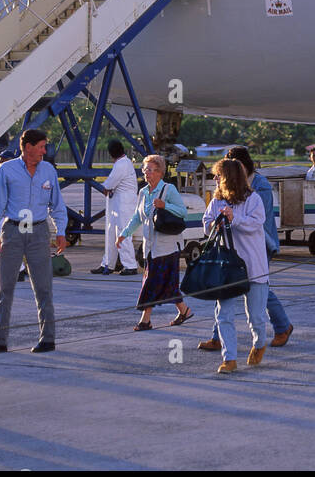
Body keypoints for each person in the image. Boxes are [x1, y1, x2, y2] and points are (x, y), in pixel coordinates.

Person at [198, 146, 294, 349]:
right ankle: (218, 337)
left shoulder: (260, 187)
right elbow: (209, 220)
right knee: (227, 288)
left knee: (258, 290)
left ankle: (282, 326)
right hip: (232, 248)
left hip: (259, 245)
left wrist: (240, 224)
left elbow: (262, 222)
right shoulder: (220, 196)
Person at [0, 129, 68, 354]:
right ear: (28, 147)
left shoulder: (48, 170)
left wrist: (61, 231)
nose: (44, 150)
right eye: (41, 146)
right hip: (12, 231)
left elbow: (57, 205)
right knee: (5, 288)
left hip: (39, 233)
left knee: (43, 288)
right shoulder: (7, 170)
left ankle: (48, 339)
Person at [201, 158, 270, 373]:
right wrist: (215, 222)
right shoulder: (216, 201)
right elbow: (206, 225)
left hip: (253, 266)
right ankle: (229, 358)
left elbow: (256, 223)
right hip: (227, 268)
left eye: (218, 175)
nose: (215, 179)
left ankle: (259, 343)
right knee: (224, 314)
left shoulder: (253, 199)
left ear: (229, 177)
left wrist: (234, 218)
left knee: (256, 317)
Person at [117, 154, 193, 329]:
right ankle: (184, 311)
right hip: (150, 247)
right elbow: (137, 216)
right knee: (168, 284)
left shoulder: (168, 189)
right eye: (145, 170)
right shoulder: (143, 192)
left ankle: (146, 319)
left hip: (167, 247)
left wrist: (164, 205)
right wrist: (124, 234)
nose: (146, 173)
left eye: (150, 170)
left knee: (151, 281)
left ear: (159, 172)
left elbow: (182, 212)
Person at [92, 140, 140, 275]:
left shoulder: (121, 164)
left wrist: (107, 189)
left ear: (111, 154)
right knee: (111, 235)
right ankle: (107, 263)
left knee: (123, 235)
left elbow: (107, 186)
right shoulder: (125, 162)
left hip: (123, 205)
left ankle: (130, 265)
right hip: (117, 205)